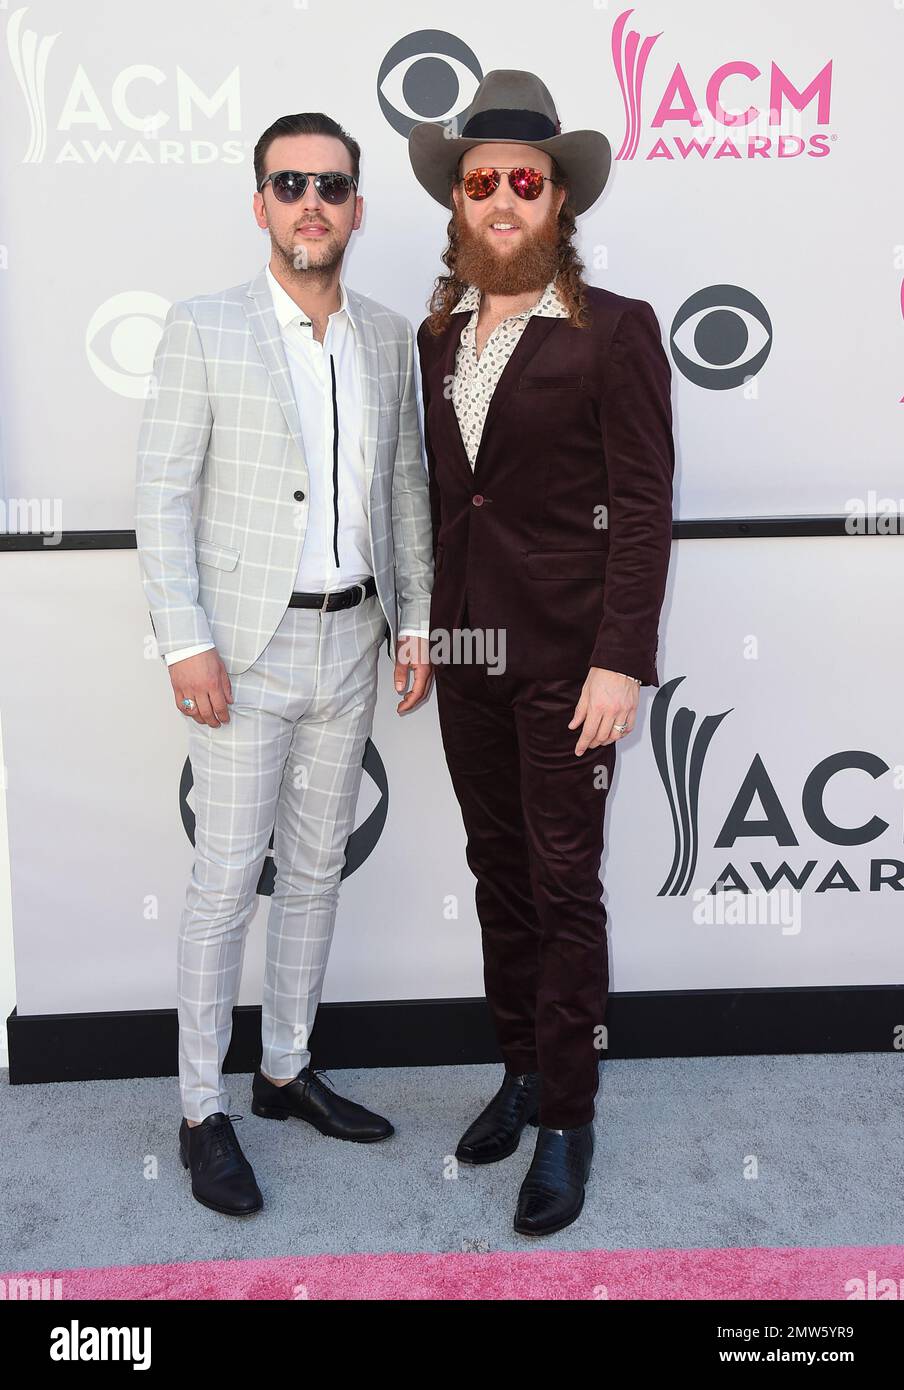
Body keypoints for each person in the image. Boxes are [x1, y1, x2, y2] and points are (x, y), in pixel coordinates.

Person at [135, 112, 433, 1216]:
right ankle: (202, 1110)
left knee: (313, 872)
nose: (312, 201)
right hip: (245, 653)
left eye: (333, 184)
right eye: (290, 182)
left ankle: (285, 1070)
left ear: (358, 207)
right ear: (259, 202)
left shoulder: (390, 335)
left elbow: (405, 486)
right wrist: (187, 638)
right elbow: (162, 493)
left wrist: (413, 621)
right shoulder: (204, 327)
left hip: (353, 638)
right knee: (224, 884)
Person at [409, 70, 675, 1235]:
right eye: (482, 184)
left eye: (525, 180)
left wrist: (620, 657)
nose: (502, 200)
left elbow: (644, 502)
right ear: (459, 203)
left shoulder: (614, 330)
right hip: (468, 648)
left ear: (558, 199)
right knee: (498, 871)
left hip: (573, 660)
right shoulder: (435, 334)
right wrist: (424, 629)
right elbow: (439, 500)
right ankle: (517, 1069)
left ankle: (567, 1115)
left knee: (566, 886)